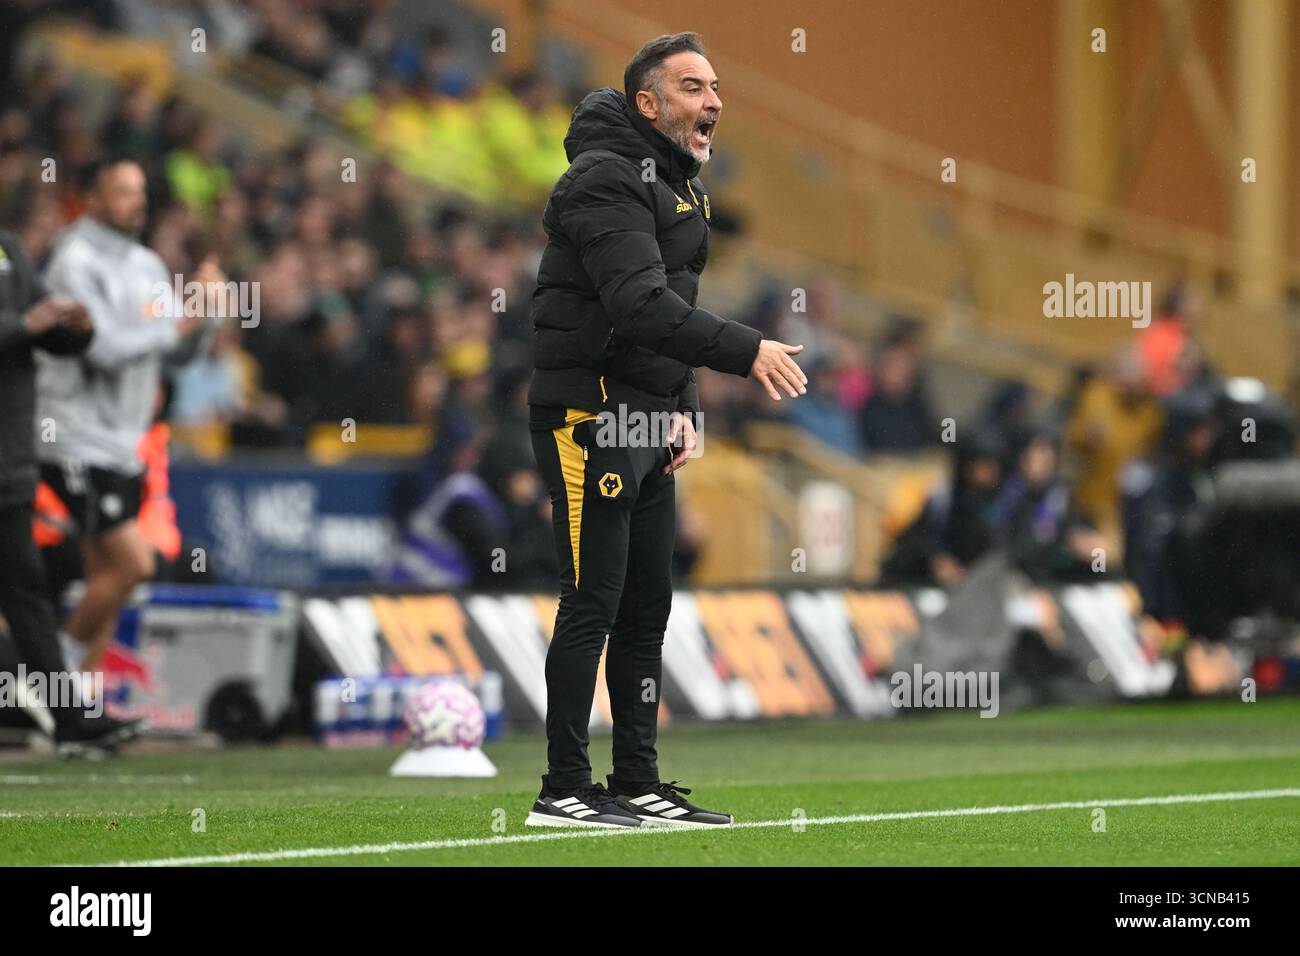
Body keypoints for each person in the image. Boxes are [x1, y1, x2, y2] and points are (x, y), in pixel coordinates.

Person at [525, 33, 806, 829]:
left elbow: (665, 312)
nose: (713, 101)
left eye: (715, 87)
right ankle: (562, 788)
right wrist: (745, 349)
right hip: (591, 414)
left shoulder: (682, 184)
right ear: (648, 105)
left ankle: (637, 779)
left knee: (648, 607)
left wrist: (681, 408)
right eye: (693, 87)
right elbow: (640, 307)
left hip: (646, 414)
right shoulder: (606, 180)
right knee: (592, 603)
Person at [35, 155, 223, 683]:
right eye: (122, 191)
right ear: (93, 198)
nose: (137, 200)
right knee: (133, 564)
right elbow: (103, 348)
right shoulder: (74, 262)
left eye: (140, 190)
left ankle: (80, 709)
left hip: (122, 442)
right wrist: (181, 323)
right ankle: (55, 675)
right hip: (75, 438)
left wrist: (204, 313)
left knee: (108, 575)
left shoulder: (146, 266)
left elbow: (176, 355)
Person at [0, 226, 145, 754]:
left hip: (9, 460)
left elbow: (44, 328)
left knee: (27, 595)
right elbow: (24, 325)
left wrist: (74, 329)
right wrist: (23, 324)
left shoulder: (9, 245)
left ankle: (69, 718)